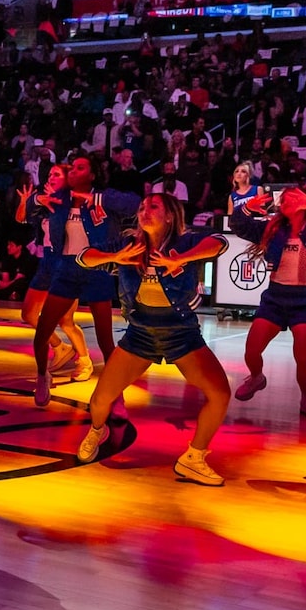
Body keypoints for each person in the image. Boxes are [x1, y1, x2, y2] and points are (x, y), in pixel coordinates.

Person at [73, 193, 232, 485]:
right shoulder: (128, 245)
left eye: (154, 206)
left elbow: (220, 243)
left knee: (220, 393)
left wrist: (183, 259)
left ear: (170, 215)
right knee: (100, 399)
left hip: (181, 332)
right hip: (140, 333)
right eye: (142, 207)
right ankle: (98, 429)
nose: (145, 210)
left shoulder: (184, 242)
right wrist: (113, 258)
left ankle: (193, 459)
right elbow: (83, 258)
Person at [28, 152, 140, 407]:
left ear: (92, 174)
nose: (73, 172)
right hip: (66, 268)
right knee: (43, 329)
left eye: (80, 168)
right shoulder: (59, 199)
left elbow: (135, 203)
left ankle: (114, 390)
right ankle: (42, 374)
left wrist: (94, 197)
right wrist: (36, 199)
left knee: (105, 338)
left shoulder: (104, 199)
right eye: (72, 168)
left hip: (97, 269)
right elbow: (27, 210)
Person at [229, 187, 306, 419]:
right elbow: (238, 225)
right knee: (251, 351)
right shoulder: (271, 229)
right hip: (274, 298)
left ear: (304, 202)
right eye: (284, 197)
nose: (285, 200)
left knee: (302, 357)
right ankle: (257, 377)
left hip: (304, 300)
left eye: (293, 197)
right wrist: (247, 208)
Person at [16, 165, 88, 379]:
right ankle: (60, 347)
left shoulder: (71, 200)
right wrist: (26, 201)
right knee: (28, 314)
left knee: (66, 320)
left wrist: (42, 200)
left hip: (65, 263)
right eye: (49, 174)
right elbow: (20, 218)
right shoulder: (46, 200)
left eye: (57, 174)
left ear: (68, 179)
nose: (51, 177)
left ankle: (84, 361)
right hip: (46, 262)